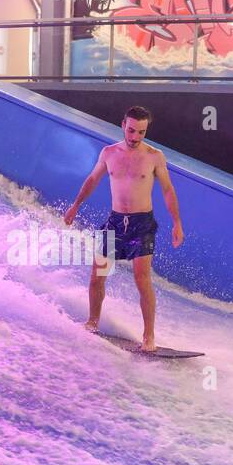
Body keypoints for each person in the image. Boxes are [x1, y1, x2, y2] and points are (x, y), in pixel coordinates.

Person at [63, 106, 184, 352]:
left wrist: (177, 223)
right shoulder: (108, 153)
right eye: (131, 131)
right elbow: (92, 180)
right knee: (98, 276)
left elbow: (168, 190)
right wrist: (75, 206)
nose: (135, 137)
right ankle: (92, 322)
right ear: (122, 126)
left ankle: (149, 336)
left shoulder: (154, 156)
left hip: (142, 224)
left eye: (141, 132)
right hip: (115, 222)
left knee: (142, 279)